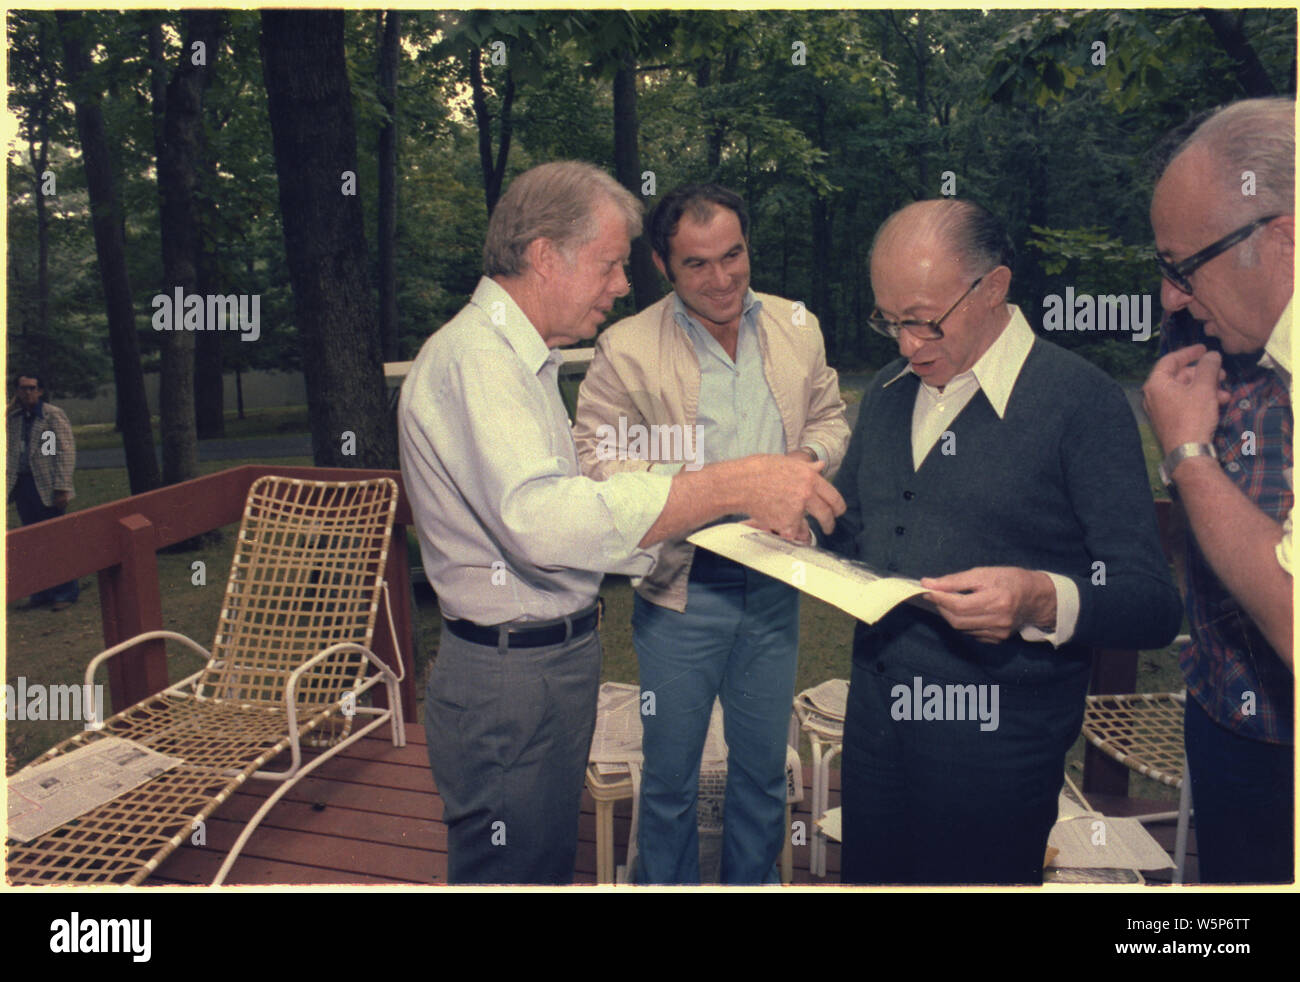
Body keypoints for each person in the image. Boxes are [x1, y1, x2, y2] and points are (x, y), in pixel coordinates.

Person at [397, 161, 844, 885]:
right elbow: (545, 522)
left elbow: (561, 507)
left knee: (537, 862)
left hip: (549, 658)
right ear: (546, 256)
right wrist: (731, 484)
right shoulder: (478, 363)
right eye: (609, 263)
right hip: (513, 673)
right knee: (511, 870)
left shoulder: (519, 363)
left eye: (734, 255)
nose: (621, 282)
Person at [823, 198, 1182, 884]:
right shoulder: (890, 396)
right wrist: (805, 522)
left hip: (997, 751)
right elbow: (862, 531)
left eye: (924, 319)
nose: (905, 343)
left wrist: (1041, 599)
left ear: (993, 287)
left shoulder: (1082, 402)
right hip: (875, 730)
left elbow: (1150, 604)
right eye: (890, 320)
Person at [573, 183, 849, 884]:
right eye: (698, 264)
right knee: (670, 780)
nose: (722, 278)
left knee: (761, 776)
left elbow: (830, 422)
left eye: (734, 255)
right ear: (664, 267)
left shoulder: (796, 326)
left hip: (774, 587)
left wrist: (802, 465)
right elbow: (593, 464)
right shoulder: (627, 347)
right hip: (679, 594)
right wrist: (716, 485)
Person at [1141, 97, 1293, 884]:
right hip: (1222, 718)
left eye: (1182, 266)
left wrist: (1189, 455)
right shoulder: (1237, 354)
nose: (1170, 296)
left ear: (1281, 235)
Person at [6, 373, 78, 609]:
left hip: (48, 487)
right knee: (32, 540)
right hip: (24, 486)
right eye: (23, 388)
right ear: (16, 391)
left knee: (56, 539)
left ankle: (65, 593)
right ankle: (40, 593)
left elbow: (65, 453)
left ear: (40, 391)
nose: (27, 392)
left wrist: (62, 488)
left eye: (32, 388)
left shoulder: (52, 415)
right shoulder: (14, 418)